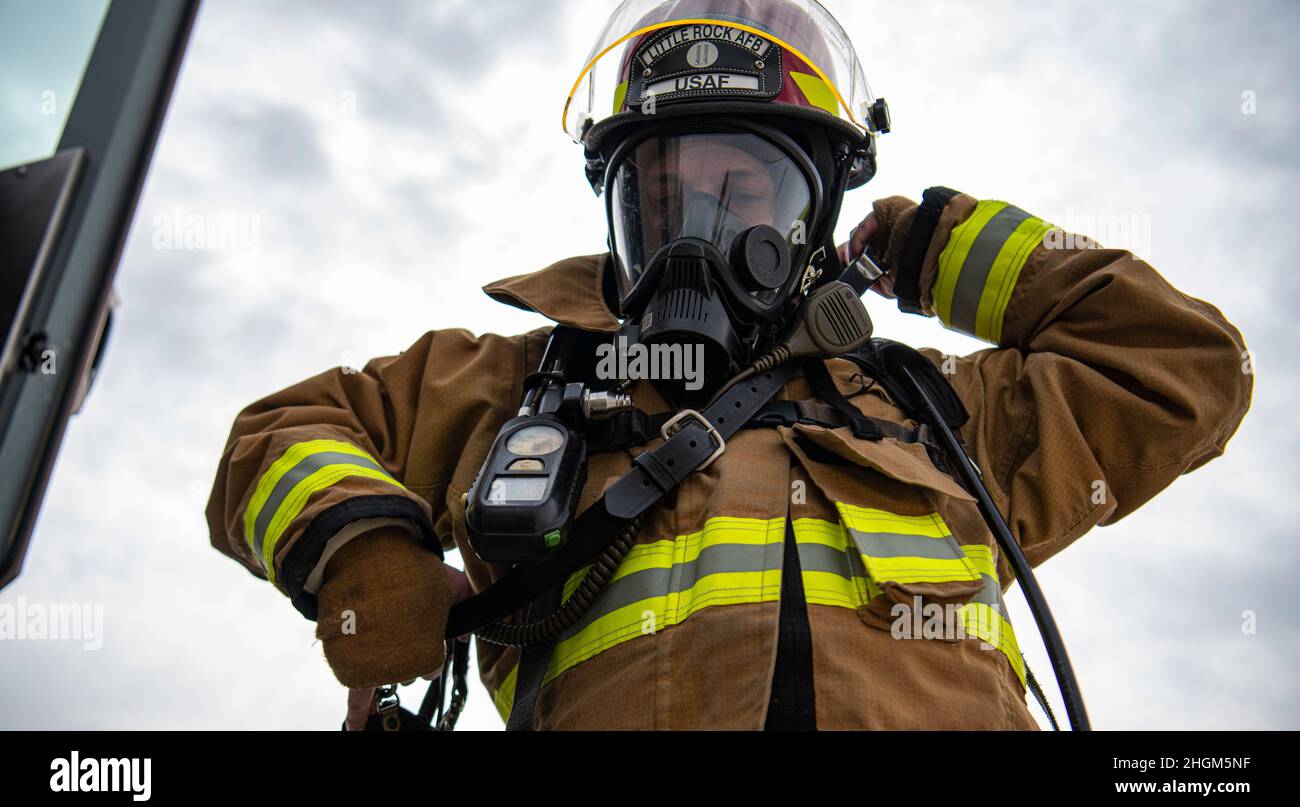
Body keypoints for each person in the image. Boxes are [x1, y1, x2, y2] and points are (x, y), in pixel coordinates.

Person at [205, 0, 1252, 730]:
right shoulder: (519, 384)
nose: (700, 234)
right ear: (619, 215)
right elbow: (285, 428)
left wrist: (938, 249)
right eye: (666, 195)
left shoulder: (938, 410)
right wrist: (354, 550)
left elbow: (1181, 362)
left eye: (746, 191)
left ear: (814, 222)